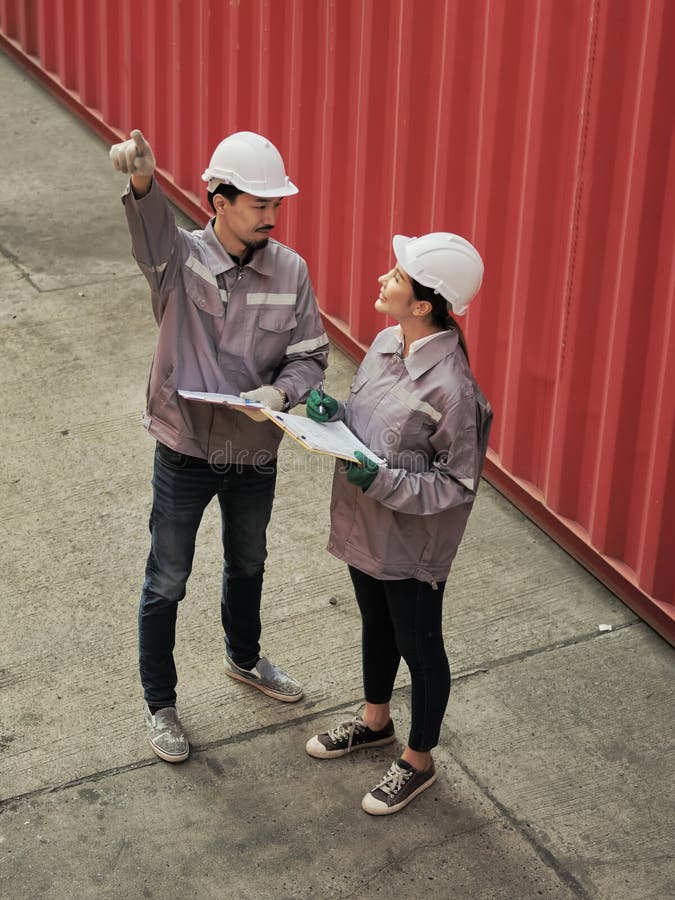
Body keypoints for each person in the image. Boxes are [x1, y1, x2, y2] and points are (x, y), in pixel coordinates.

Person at [110, 129, 328, 763]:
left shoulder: (291, 269)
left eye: (275, 205)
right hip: (185, 450)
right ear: (218, 200)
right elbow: (149, 234)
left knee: (249, 562)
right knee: (167, 580)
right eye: (259, 203)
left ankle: (244, 658)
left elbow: (310, 356)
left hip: (255, 451)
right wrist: (145, 184)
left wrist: (282, 395)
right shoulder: (178, 261)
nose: (271, 216)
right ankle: (162, 705)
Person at [304, 232, 492, 815]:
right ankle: (375, 722)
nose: (383, 279)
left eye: (397, 277)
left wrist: (382, 482)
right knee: (376, 624)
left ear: (423, 305)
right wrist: (336, 414)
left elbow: (458, 486)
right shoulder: (388, 342)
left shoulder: (455, 391)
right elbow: (373, 423)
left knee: (420, 643)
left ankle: (418, 760)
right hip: (367, 527)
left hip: (413, 544)